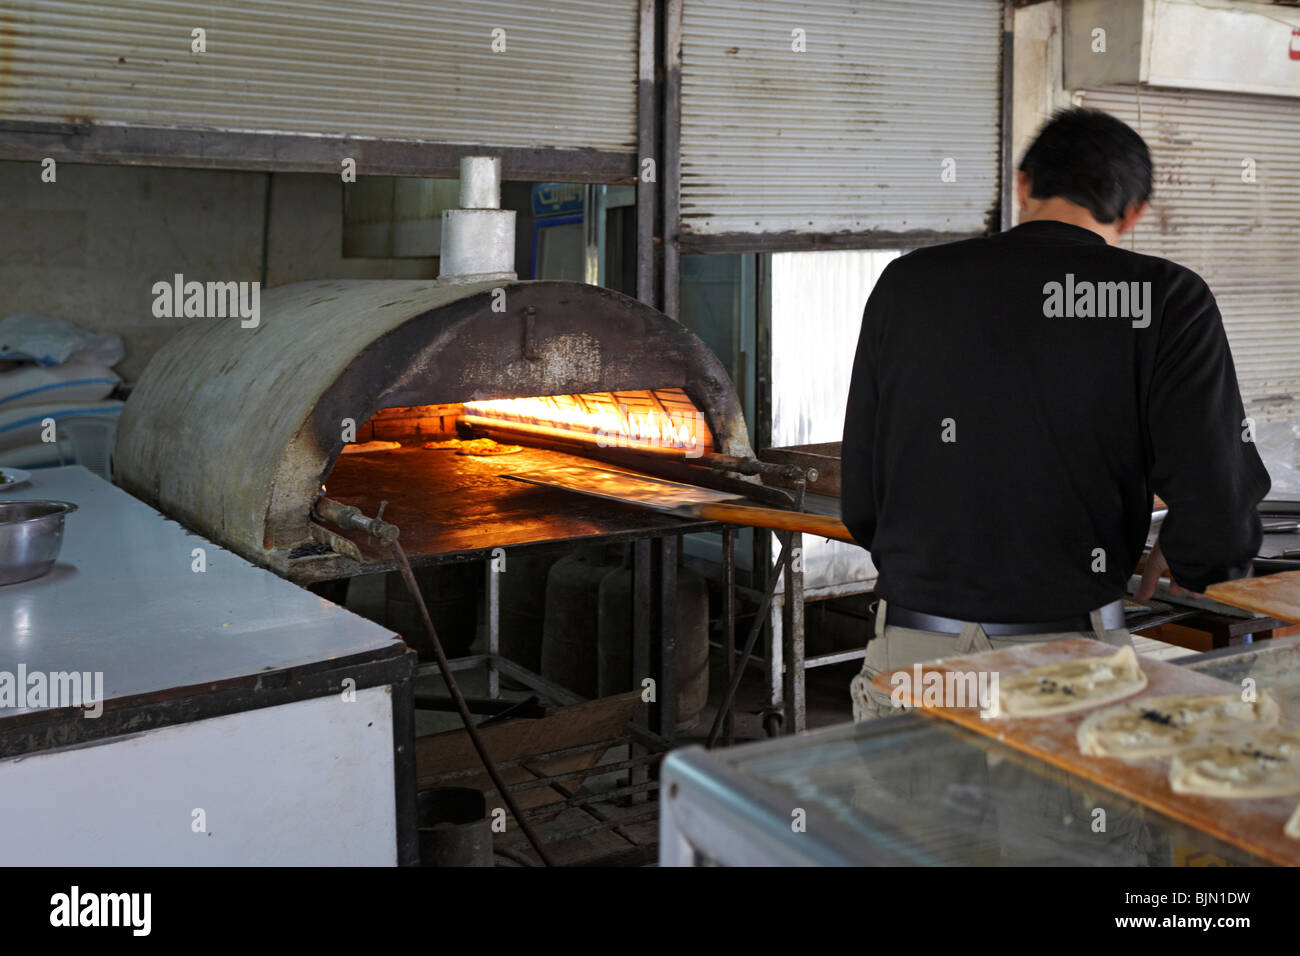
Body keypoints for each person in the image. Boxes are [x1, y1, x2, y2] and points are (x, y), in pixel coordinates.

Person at [843, 107, 1271, 722]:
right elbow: (1217, 511)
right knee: (1063, 823)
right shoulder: (1164, 298)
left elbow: (863, 496)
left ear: (1023, 186)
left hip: (912, 654)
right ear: (1132, 213)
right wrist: (1198, 554)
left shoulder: (906, 283)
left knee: (909, 824)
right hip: (1067, 663)